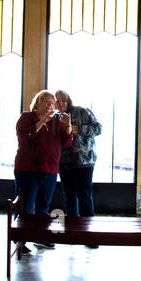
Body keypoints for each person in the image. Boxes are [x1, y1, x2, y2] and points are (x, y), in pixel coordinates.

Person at [12, 89, 67, 258]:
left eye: (53, 103)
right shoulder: (27, 117)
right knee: (26, 206)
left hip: (49, 169)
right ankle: (21, 239)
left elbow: (66, 142)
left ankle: (40, 236)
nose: (51, 105)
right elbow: (25, 135)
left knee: (43, 206)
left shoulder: (55, 122)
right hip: (28, 169)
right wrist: (43, 119)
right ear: (38, 103)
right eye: (47, 102)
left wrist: (68, 126)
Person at [56, 91, 101, 224]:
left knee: (84, 196)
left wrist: (78, 129)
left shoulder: (82, 111)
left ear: (68, 100)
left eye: (63, 100)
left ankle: (89, 233)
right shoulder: (55, 117)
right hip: (64, 161)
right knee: (69, 196)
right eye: (57, 101)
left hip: (84, 160)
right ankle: (72, 229)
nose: (60, 103)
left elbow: (98, 128)